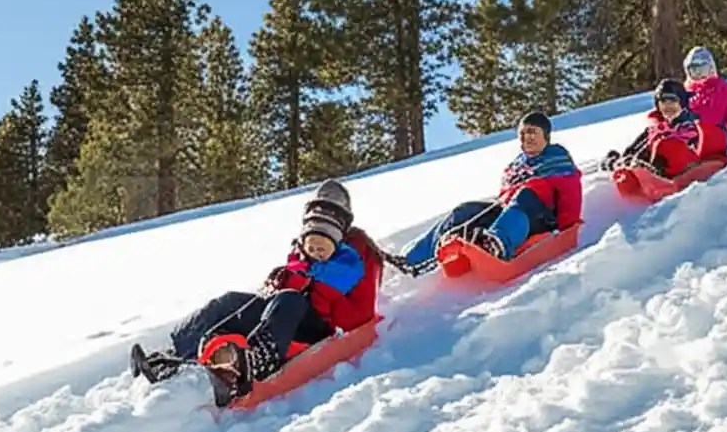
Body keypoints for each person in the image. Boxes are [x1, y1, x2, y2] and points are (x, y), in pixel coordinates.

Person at [130, 179, 383, 401]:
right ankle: (175, 355)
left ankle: (255, 361)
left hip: (317, 325)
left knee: (290, 300)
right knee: (230, 302)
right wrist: (283, 279)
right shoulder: (300, 253)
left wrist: (324, 290)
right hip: (284, 315)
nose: (316, 249)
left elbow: (361, 317)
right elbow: (280, 294)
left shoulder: (356, 257)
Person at [389, 112, 583, 277]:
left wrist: (568, 226)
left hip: (541, 217)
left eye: (533, 132)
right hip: (510, 215)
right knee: (465, 210)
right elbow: (504, 197)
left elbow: (571, 191)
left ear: (546, 136)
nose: (527, 137)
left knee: (526, 194)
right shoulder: (516, 166)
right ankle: (413, 258)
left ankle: (497, 243)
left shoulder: (557, 158)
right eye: (522, 133)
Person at [604, 79, 727, 178]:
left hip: (683, 166)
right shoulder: (657, 128)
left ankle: (647, 171)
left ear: (682, 103)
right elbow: (637, 147)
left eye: (672, 101)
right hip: (653, 165)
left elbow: (699, 147)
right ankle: (626, 165)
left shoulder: (691, 126)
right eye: (663, 102)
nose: (668, 106)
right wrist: (625, 158)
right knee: (652, 137)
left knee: (666, 143)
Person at [683, 46, 727, 158]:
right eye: (694, 71)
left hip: (718, 141)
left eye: (702, 70)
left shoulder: (725, 91)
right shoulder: (684, 92)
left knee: (707, 132)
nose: (699, 75)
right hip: (689, 140)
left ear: (711, 68)